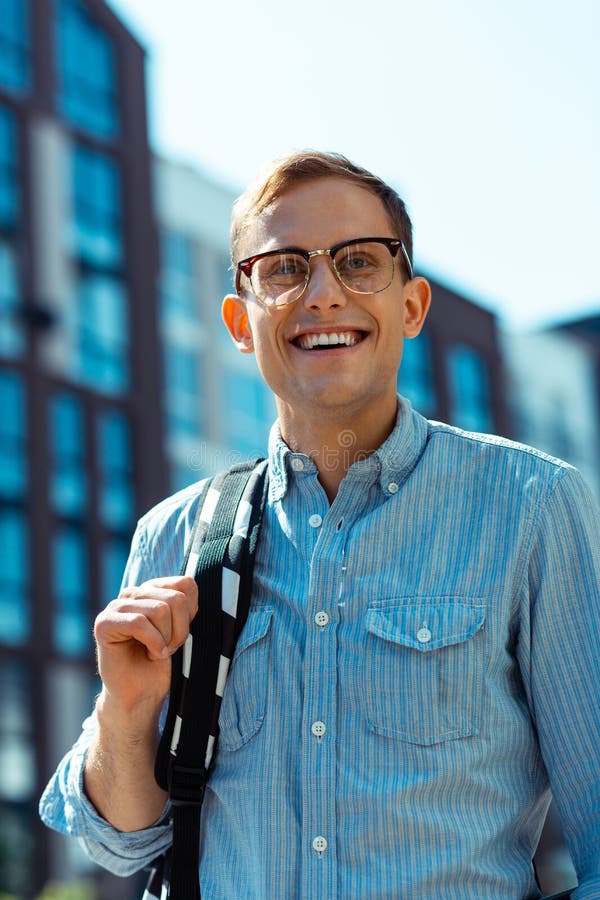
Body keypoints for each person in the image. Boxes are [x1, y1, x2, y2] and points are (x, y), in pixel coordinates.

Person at [40, 150, 600, 898]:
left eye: (359, 261)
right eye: (283, 268)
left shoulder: (533, 506)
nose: (324, 294)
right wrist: (129, 708)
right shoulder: (174, 537)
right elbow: (119, 843)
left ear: (411, 306)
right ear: (240, 322)